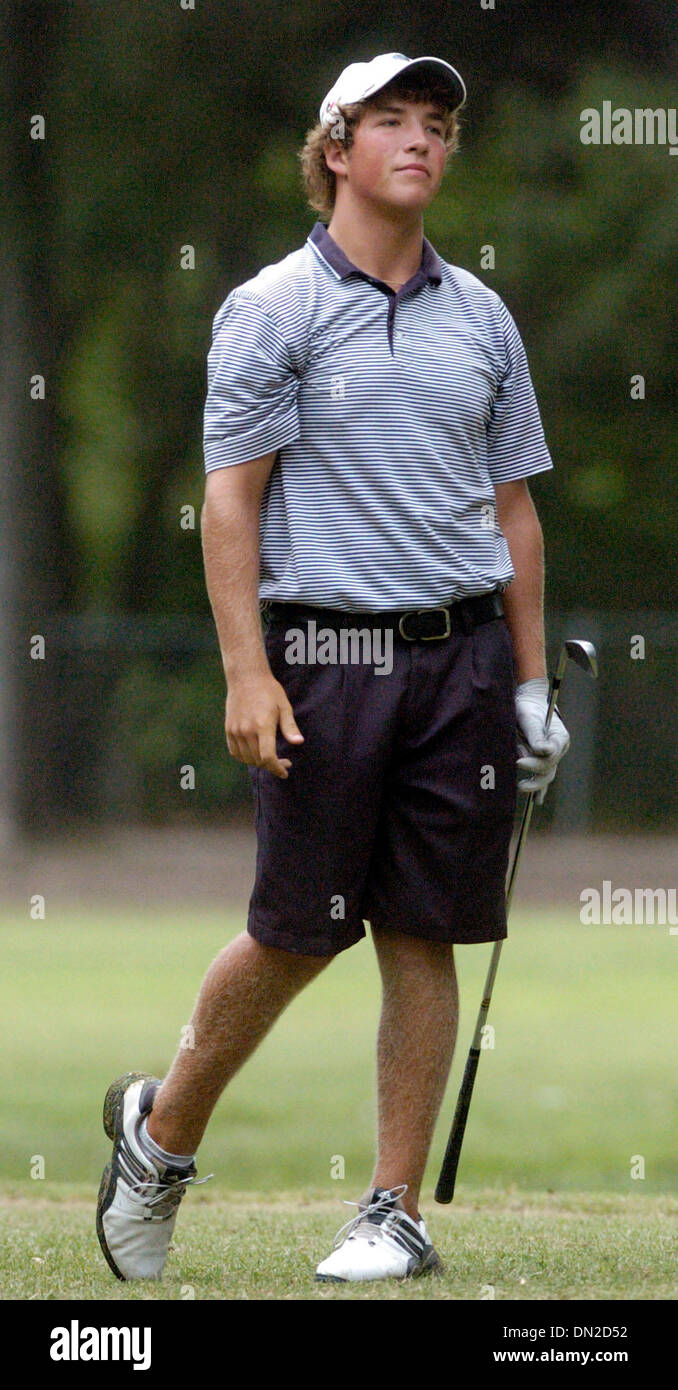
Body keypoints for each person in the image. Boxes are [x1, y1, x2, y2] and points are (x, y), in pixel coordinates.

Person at [96, 51, 569, 1285]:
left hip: (460, 657)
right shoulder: (271, 308)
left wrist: (527, 688)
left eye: (439, 124)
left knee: (425, 930)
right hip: (325, 655)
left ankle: (392, 1209)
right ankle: (161, 1135)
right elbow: (231, 505)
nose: (421, 141)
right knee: (298, 930)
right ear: (337, 149)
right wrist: (247, 673)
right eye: (393, 122)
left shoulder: (484, 318)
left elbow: (514, 513)